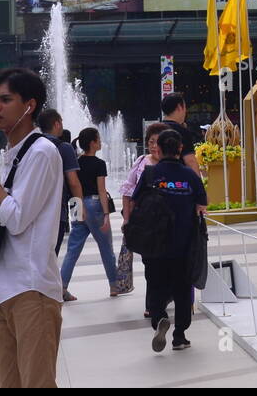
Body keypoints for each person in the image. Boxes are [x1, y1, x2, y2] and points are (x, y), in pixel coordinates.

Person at [0, 68, 65, 388]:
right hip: (3, 288)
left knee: (37, 383)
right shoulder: (12, 153)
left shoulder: (42, 152)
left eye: (5, 99)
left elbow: (15, 219)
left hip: (32, 289)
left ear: (29, 106)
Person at [136, 129, 206, 353]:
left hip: (154, 244)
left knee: (155, 286)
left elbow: (136, 201)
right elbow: (202, 204)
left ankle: (159, 320)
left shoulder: (150, 174)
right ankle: (180, 336)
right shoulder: (190, 176)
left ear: (159, 148)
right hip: (183, 245)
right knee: (182, 290)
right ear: (178, 149)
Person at [59, 127, 123, 297]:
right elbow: (102, 191)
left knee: (73, 248)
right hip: (94, 205)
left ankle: (62, 286)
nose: (101, 142)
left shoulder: (76, 162)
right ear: (93, 143)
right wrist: (106, 214)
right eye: (99, 139)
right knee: (106, 247)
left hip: (76, 204)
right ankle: (114, 285)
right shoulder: (99, 164)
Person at [36, 110, 86, 285]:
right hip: (56, 212)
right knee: (50, 257)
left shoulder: (32, 144)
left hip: (33, 211)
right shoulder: (63, 147)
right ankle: (48, 295)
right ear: (57, 124)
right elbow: (73, 182)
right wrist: (78, 213)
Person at [121, 123, 165, 312]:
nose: (154, 146)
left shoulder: (172, 163)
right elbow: (127, 190)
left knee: (165, 263)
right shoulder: (141, 161)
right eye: (151, 142)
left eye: (158, 142)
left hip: (166, 223)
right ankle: (152, 305)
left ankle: (164, 298)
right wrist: (127, 219)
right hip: (145, 222)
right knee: (150, 263)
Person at [160, 93, 199, 172]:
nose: (185, 112)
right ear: (179, 107)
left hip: (158, 178)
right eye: (185, 107)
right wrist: (198, 182)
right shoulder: (181, 131)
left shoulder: (156, 129)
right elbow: (190, 161)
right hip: (178, 180)